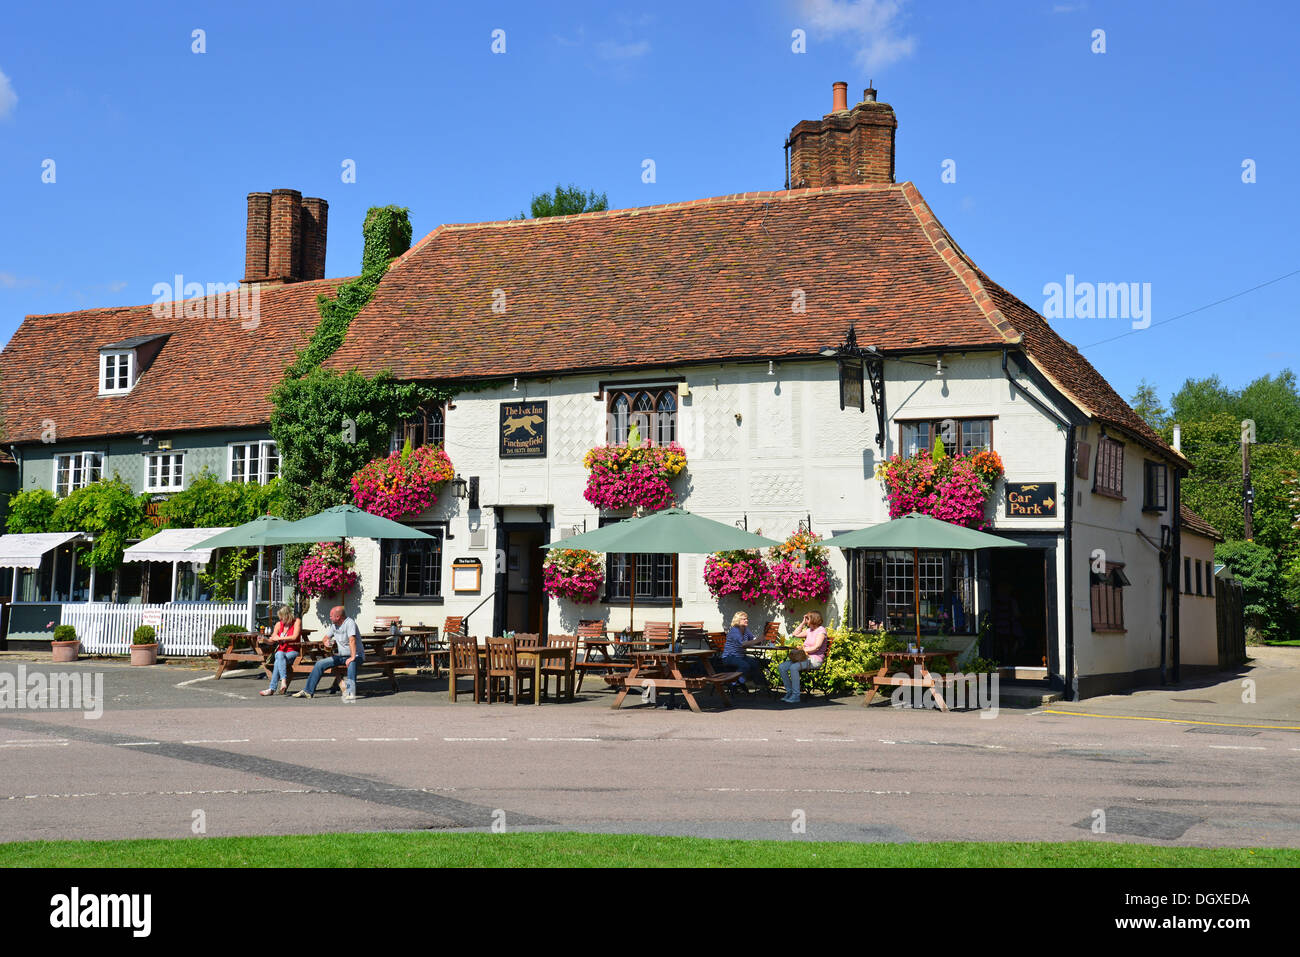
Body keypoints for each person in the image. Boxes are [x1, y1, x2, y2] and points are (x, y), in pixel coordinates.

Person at [293, 606, 362, 701]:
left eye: (331, 616)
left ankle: (350, 692)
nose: (329, 618)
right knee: (319, 663)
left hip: (357, 656)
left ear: (338, 617)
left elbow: (352, 640)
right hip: (341, 656)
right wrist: (326, 642)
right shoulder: (334, 626)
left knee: (351, 663)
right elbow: (325, 638)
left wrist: (352, 657)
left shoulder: (350, 623)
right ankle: (308, 691)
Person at [778, 611, 828, 704]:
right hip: (803, 658)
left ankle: (796, 696)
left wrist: (804, 650)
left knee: (794, 667)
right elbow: (795, 634)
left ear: (813, 619)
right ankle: (789, 692)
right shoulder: (809, 630)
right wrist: (803, 623)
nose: (806, 620)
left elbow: (816, 647)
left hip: (815, 660)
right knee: (782, 667)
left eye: (807, 619)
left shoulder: (821, 631)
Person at [259, 605, 302, 696]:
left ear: (287, 615)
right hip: (281, 652)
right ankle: (283, 681)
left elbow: (295, 636)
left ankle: (272, 688)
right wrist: (265, 640)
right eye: (280, 618)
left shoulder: (296, 622)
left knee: (278, 660)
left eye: (282, 618)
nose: (281, 620)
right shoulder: (279, 624)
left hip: (293, 651)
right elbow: (273, 640)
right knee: (279, 655)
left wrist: (280, 638)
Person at [720, 612, 767, 693]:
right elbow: (743, 644)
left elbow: (752, 640)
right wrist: (757, 640)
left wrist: (761, 639)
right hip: (729, 657)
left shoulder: (746, 629)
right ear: (738, 620)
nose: (747, 620)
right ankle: (734, 683)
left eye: (746, 618)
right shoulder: (734, 630)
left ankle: (756, 684)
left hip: (740, 656)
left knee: (755, 663)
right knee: (745, 666)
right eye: (744, 619)